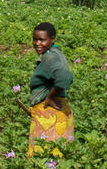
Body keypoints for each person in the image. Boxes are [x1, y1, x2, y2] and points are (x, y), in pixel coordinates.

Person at [27, 22, 74, 157]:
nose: (37, 43)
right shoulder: (56, 53)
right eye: (35, 39)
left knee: (42, 159)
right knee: (59, 158)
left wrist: (49, 96)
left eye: (42, 39)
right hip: (60, 112)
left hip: (49, 115)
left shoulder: (49, 57)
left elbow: (65, 77)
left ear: (52, 39)